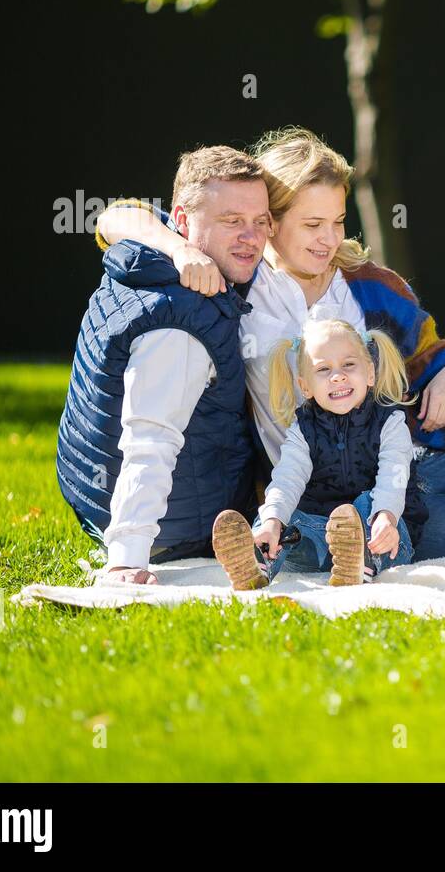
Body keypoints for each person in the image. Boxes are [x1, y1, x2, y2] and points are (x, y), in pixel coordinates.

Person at [93, 127, 445, 561]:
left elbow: (434, 354)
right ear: (270, 221)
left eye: (338, 222)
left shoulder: (370, 287)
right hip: (312, 490)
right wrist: (179, 250)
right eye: (312, 224)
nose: (330, 239)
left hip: (411, 465)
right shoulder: (238, 281)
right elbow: (115, 218)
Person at [56, 146, 270, 585]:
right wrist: (127, 559)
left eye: (260, 221)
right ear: (186, 220)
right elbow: (149, 438)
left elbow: (116, 215)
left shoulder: (154, 250)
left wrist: (177, 247)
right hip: (181, 525)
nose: (252, 237)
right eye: (232, 222)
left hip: (101, 496)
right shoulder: (180, 320)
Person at [211, 314, 426, 589]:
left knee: (366, 504)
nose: (338, 377)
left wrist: (386, 516)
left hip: (384, 532)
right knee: (278, 519)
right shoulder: (304, 428)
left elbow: (393, 478)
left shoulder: (390, 422)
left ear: (370, 373)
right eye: (323, 370)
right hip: (322, 537)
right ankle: (259, 562)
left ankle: (363, 562)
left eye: (349, 365)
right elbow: (287, 478)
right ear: (305, 386)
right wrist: (273, 520)